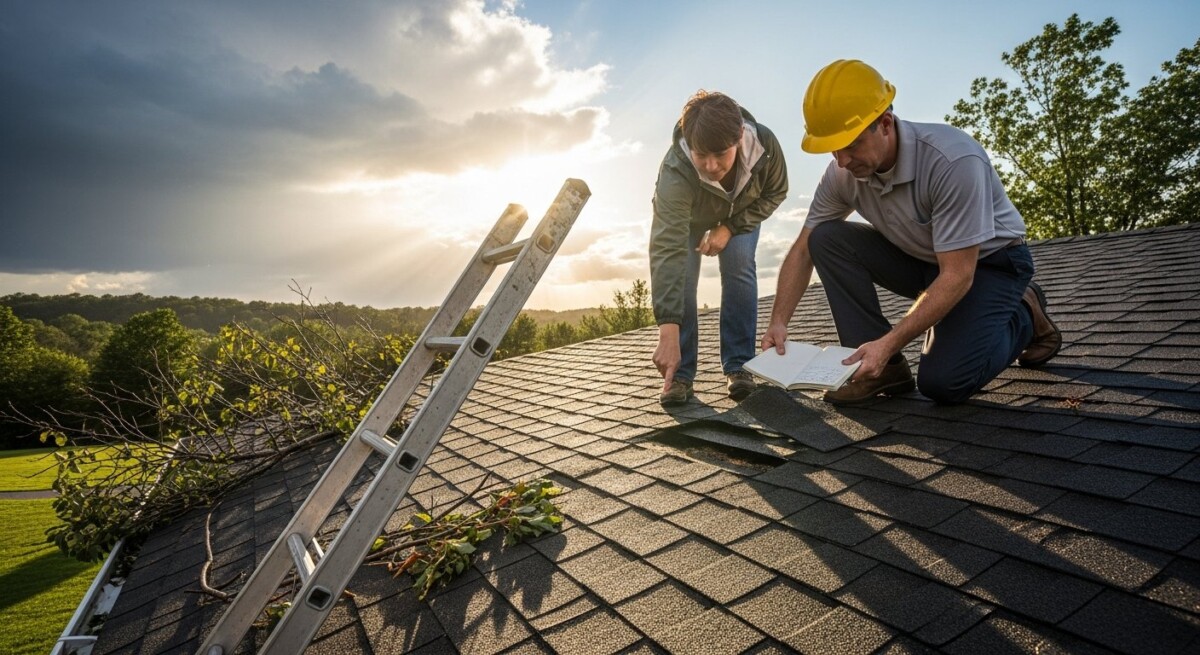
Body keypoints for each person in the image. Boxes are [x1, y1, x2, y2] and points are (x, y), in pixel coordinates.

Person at [763, 60, 1061, 405]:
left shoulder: (952, 161)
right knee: (825, 238)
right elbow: (803, 250)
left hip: (988, 266)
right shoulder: (842, 173)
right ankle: (884, 370)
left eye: (852, 144)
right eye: (833, 148)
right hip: (924, 261)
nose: (841, 160)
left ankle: (1025, 311)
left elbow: (958, 275)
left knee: (944, 383)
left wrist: (888, 341)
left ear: (885, 124)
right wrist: (779, 322)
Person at [650, 90, 788, 406]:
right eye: (702, 156)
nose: (711, 166)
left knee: (739, 262)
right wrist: (667, 331)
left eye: (721, 154)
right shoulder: (675, 170)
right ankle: (680, 373)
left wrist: (730, 228)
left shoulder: (764, 146)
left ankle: (739, 367)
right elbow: (667, 248)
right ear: (688, 145)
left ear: (739, 137)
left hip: (739, 213)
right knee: (682, 276)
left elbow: (775, 192)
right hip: (688, 220)